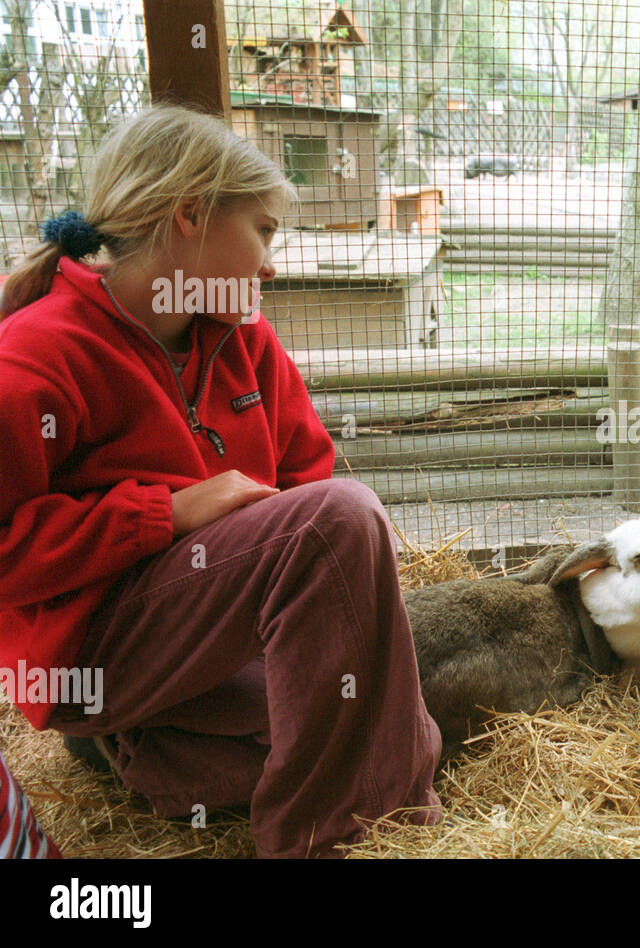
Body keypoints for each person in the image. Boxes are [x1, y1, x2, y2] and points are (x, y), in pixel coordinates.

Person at [0, 104, 442, 858]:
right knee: (339, 523)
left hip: (208, 640)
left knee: (367, 719)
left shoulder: (243, 336)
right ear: (190, 216)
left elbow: (305, 471)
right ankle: (326, 841)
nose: (272, 263)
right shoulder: (34, 357)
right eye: (263, 230)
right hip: (98, 647)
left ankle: (148, 752)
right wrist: (162, 516)